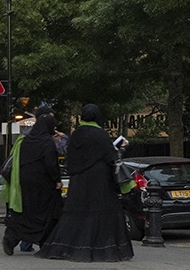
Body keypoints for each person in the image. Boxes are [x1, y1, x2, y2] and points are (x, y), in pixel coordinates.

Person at [36, 105, 133, 262]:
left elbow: (69, 156)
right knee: (102, 212)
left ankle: (66, 247)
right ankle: (104, 249)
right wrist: (121, 149)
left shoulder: (76, 134)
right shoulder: (101, 134)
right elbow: (111, 157)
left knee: (77, 213)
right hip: (100, 181)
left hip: (79, 181)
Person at [3, 106, 64, 256]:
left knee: (25, 213)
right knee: (47, 214)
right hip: (43, 184)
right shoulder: (47, 142)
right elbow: (51, 164)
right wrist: (57, 180)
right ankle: (45, 242)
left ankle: (11, 238)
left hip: (24, 182)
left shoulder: (25, 140)